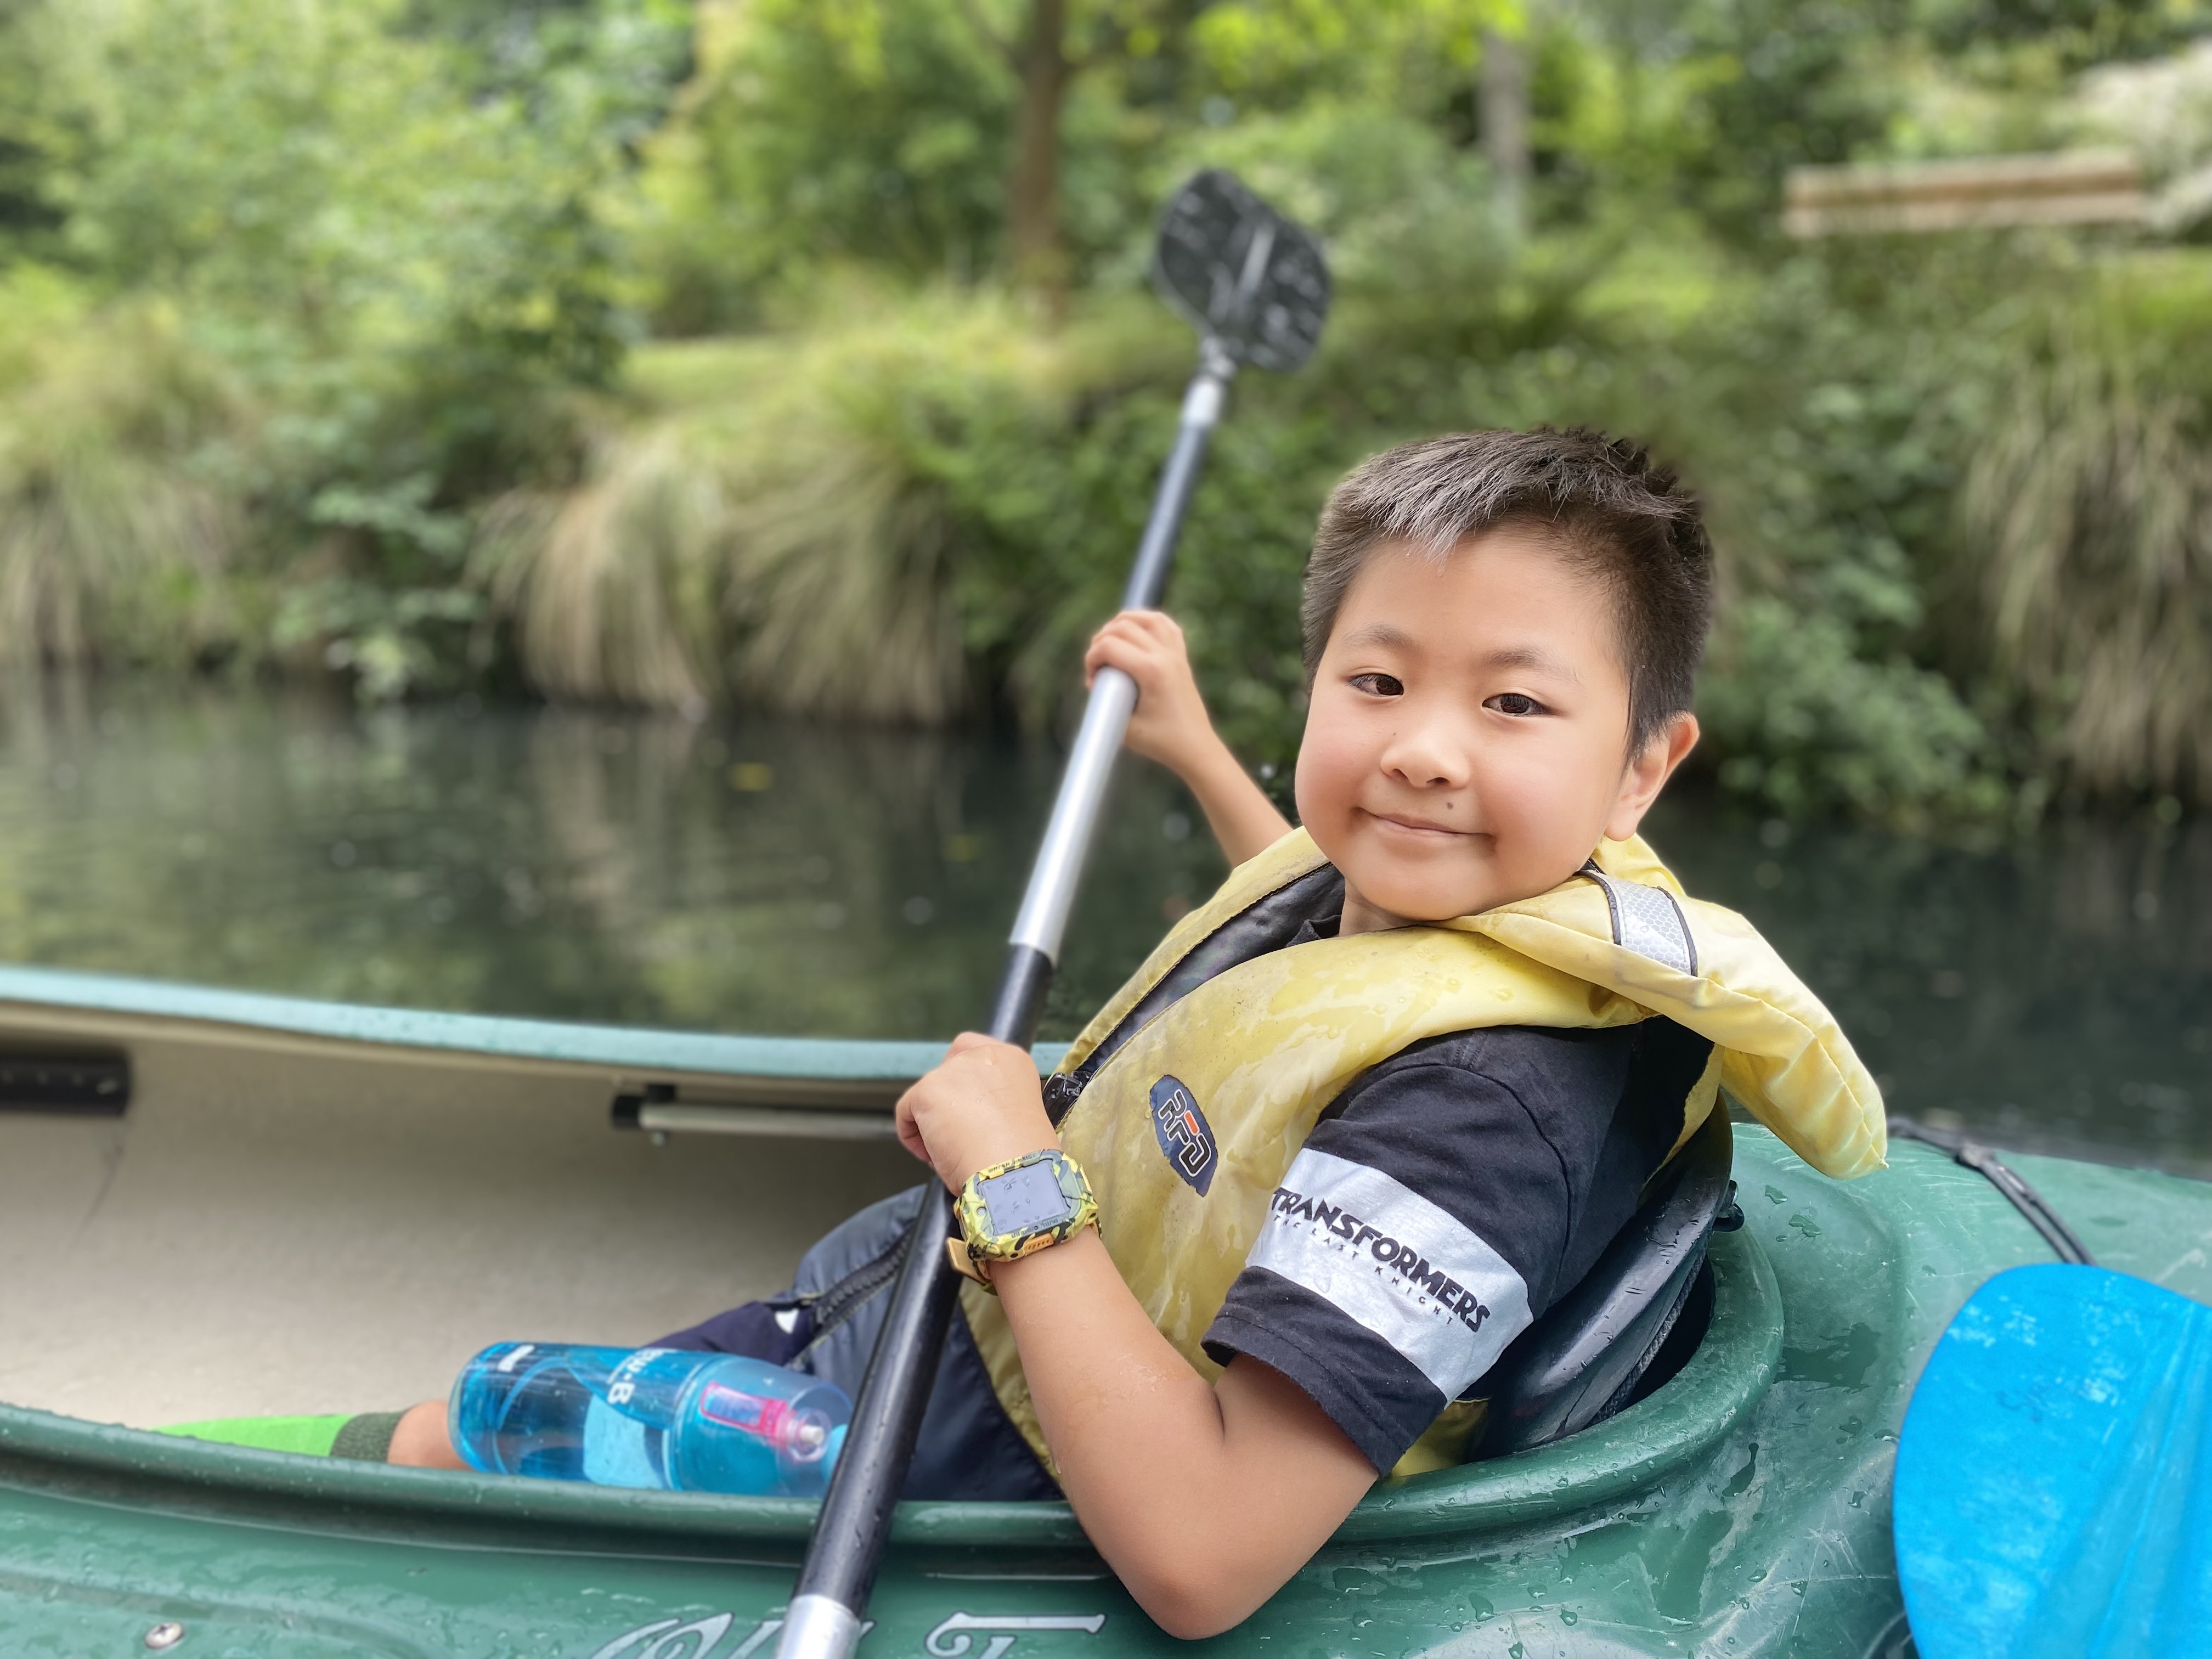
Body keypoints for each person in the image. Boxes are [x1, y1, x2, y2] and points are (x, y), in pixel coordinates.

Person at [387, 428, 1886, 1638]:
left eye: (1511, 703)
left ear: (1643, 765)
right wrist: (1190, 749)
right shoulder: (1492, 890)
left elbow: (1202, 1554)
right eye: (1376, 682)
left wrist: (1015, 1177)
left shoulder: (1487, 1114)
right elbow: (1302, 945)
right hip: (925, 1326)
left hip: (980, 1465)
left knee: (462, 1438)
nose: (1423, 749)